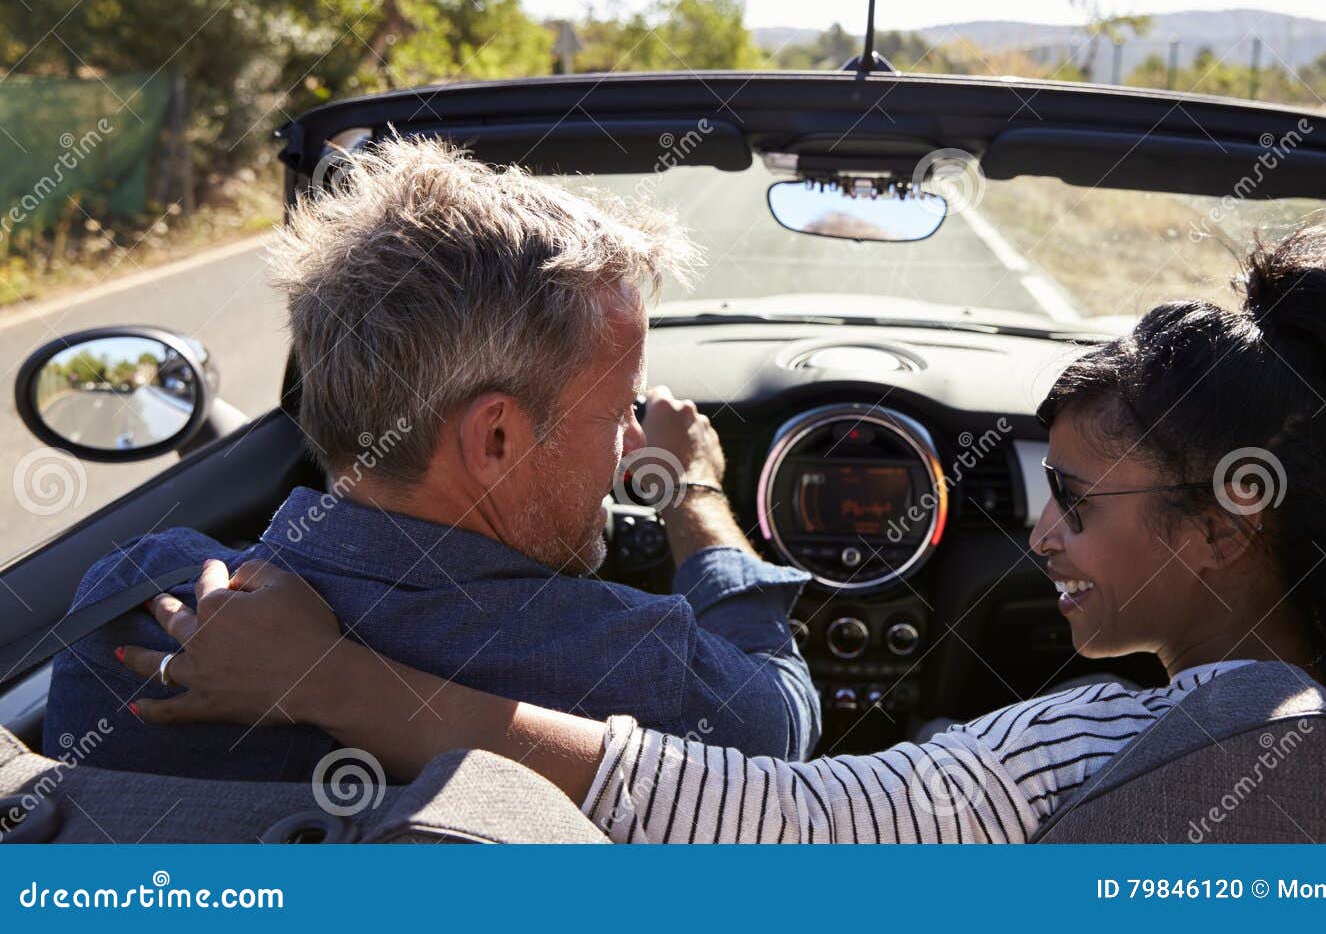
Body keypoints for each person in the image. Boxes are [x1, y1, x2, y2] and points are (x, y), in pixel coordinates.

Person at [118, 226, 1326, 841]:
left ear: (1228, 524)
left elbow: (764, 813)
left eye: (1074, 497)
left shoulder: (1078, 750)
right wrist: (701, 517)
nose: (1040, 534)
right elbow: (768, 732)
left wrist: (339, 680)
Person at [46, 139, 820, 777]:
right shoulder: (640, 666)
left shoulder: (140, 602)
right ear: (495, 440)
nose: (632, 444)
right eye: (621, 410)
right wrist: (694, 491)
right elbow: (781, 725)